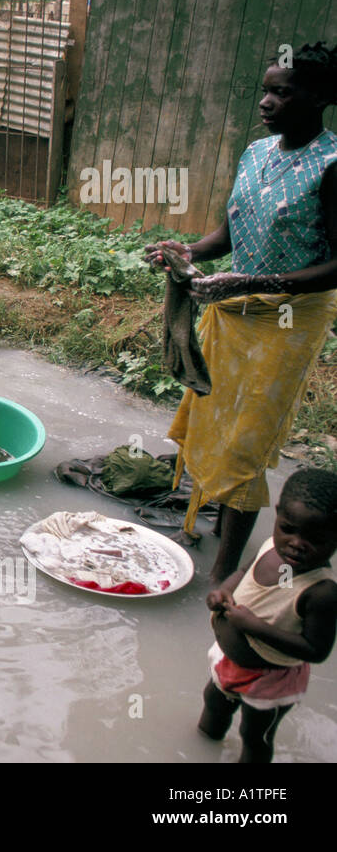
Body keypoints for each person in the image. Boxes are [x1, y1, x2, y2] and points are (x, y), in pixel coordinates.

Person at [147, 42, 337, 582]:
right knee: (212, 422)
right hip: (232, 309)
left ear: (318, 97)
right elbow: (231, 234)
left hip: (286, 319)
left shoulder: (331, 164)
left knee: (246, 443)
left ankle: (224, 577)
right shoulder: (257, 153)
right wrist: (187, 252)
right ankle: (205, 530)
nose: (266, 102)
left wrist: (254, 281)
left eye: (282, 92)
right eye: (264, 90)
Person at [199, 469, 337, 762]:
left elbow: (315, 650)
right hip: (228, 660)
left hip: (270, 679)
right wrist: (221, 593)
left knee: (255, 735)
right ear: (277, 515)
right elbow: (240, 573)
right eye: (288, 528)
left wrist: (254, 627)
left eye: (315, 538)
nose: (297, 543)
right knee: (213, 704)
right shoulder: (271, 547)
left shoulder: (321, 591)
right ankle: (197, 752)